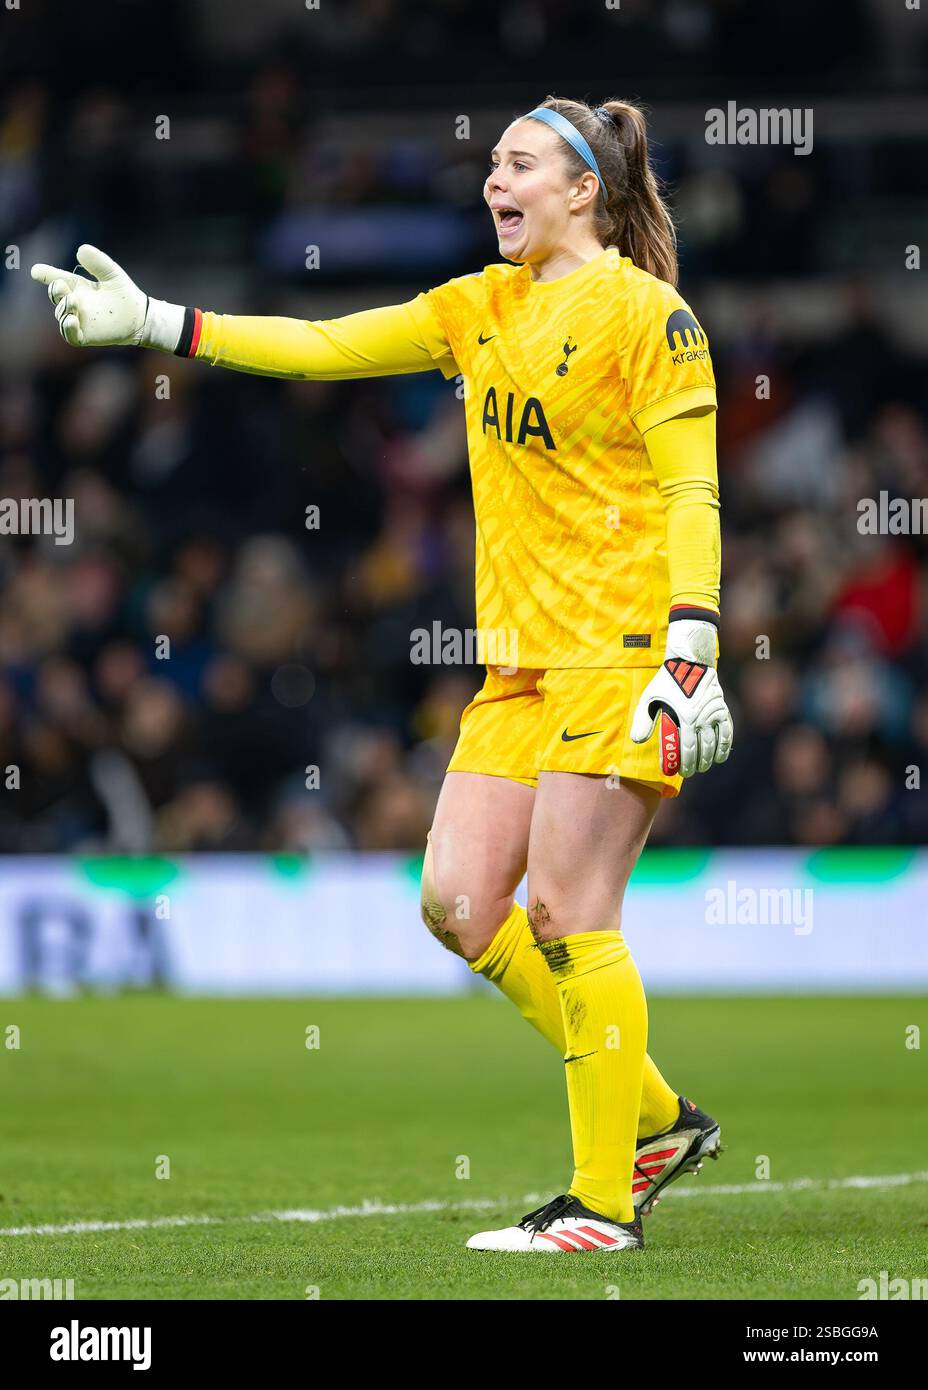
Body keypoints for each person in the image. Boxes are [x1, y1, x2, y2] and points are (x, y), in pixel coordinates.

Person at [32, 95, 733, 1255]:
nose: (491, 183)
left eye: (515, 165)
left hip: (620, 651)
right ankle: (657, 1119)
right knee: (458, 904)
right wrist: (161, 322)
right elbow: (323, 345)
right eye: (489, 168)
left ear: (580, 189)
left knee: (566, 910)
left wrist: (692, 643)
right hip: (516, 666)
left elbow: (691, 491)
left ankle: (602, 1205)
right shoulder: (478, 306)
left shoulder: (648, 318)